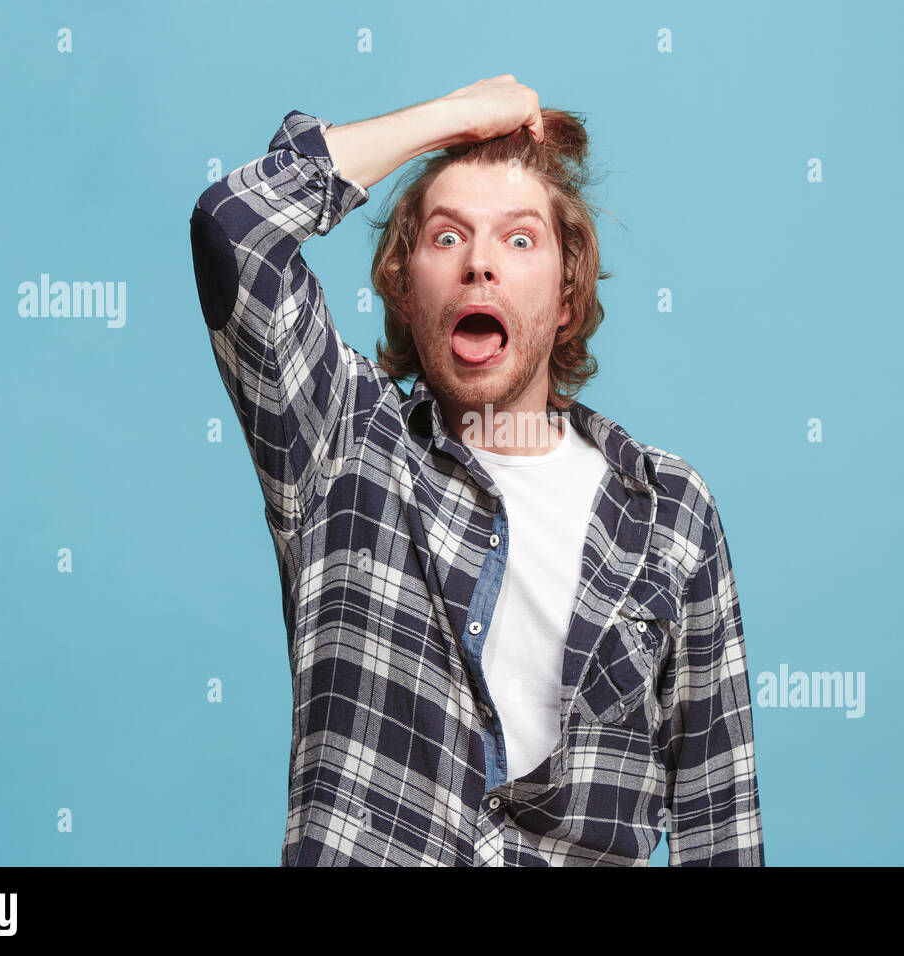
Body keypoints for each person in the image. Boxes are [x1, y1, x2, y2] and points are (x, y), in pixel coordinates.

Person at [188, 75, 764, 866]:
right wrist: (454, 121)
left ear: (567, 295)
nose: (480, 265)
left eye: (519, 239)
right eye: (447, 238)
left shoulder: (667, 511)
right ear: (402, 286)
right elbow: (235, 228)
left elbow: (719, 825)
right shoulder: (343, 441)